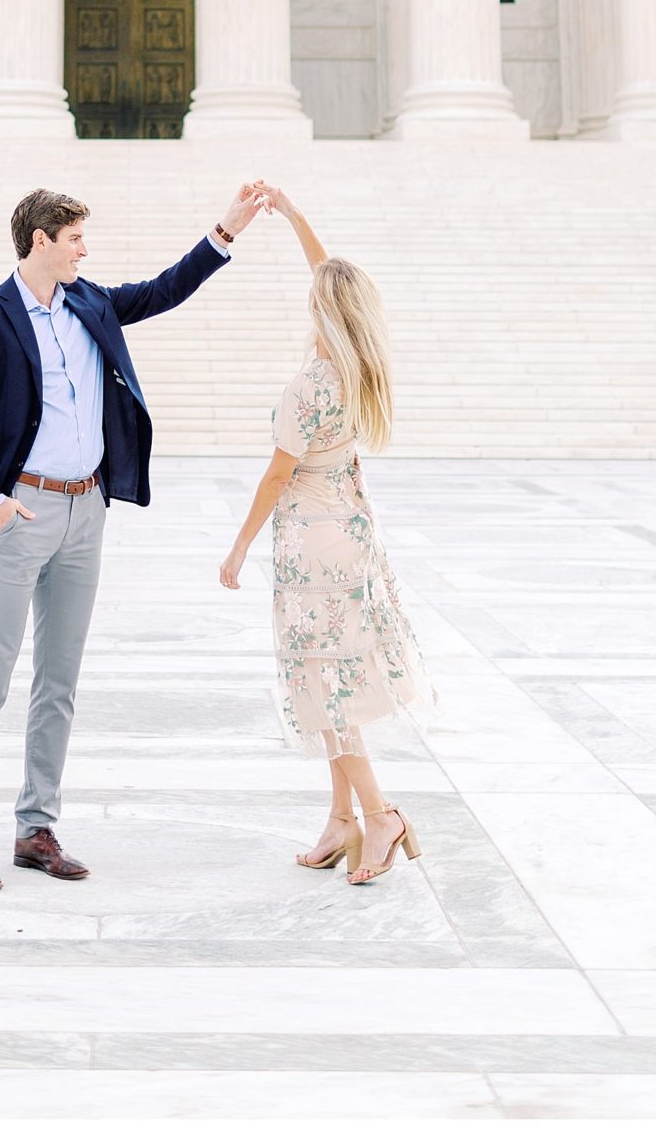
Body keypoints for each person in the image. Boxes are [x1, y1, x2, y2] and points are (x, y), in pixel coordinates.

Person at [0, 178, 266, 890]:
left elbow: (165, 289)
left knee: (59, 681)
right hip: (19, 513)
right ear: (40, 241)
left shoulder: (89, 301)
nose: (86, 248)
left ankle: (36, 828)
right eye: (75, 237)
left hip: (87, 511)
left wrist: (226, 231)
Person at [218, 186, 436, 885]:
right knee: (331, 677)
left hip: (311, 541)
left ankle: (380, 815)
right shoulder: (358, 361)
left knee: (325, 684)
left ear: (321, 309)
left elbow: (276, 476)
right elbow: (329, 278)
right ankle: (342, 819)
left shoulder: (311, 382)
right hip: (349, 529)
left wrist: (238, 546)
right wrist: (297, 219)